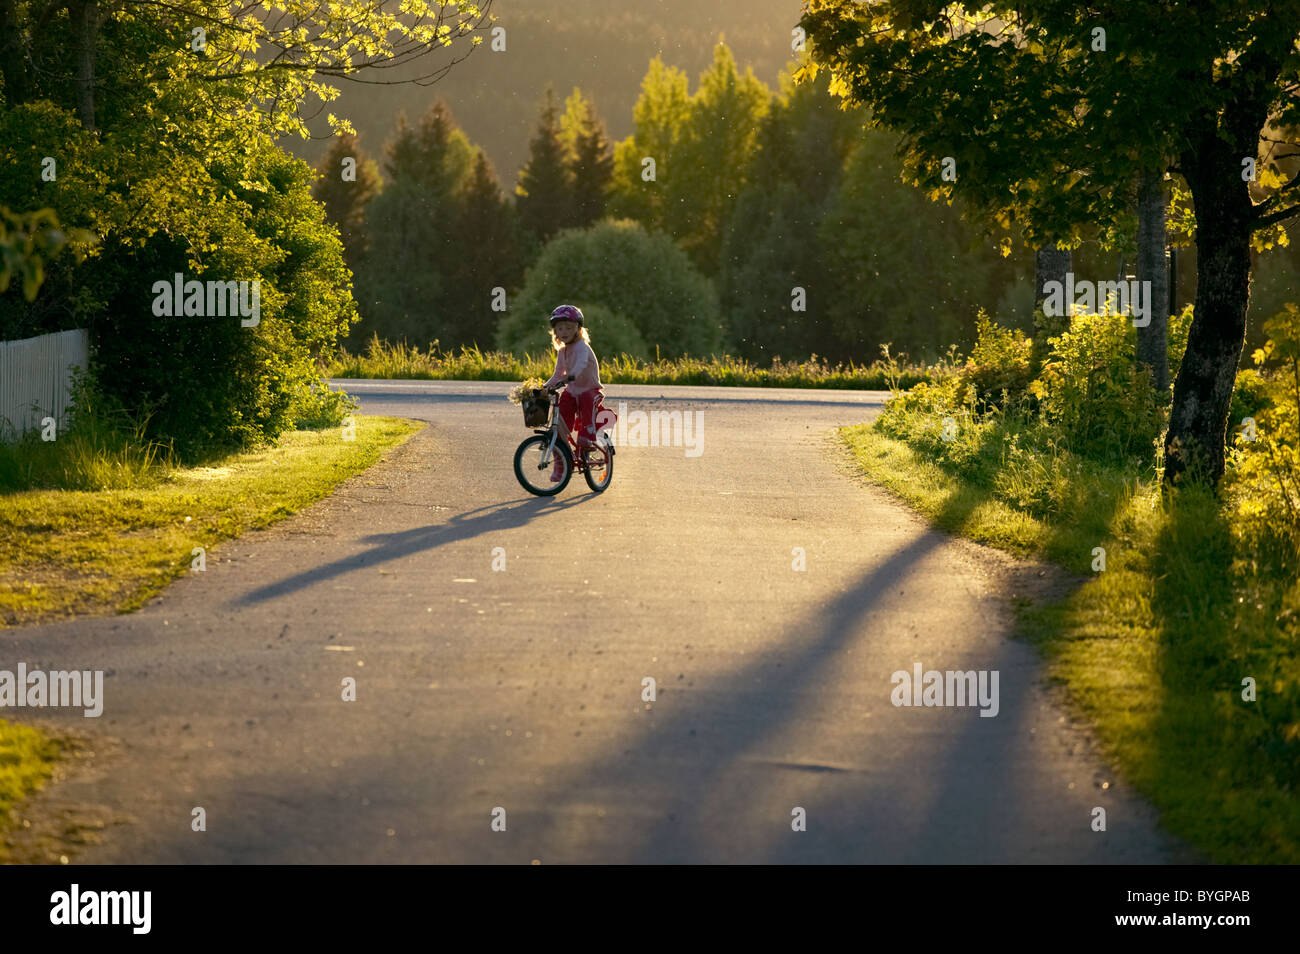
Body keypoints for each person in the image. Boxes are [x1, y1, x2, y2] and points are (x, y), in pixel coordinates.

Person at [542, 304, 602, 482]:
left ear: (578, 328)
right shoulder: (562, 351)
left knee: (586, 399)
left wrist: (571, 375)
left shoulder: (581, 347)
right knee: (559, 430)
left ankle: (589, 435)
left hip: (589, 390)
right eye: (560, 328)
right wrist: (544, 387)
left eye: (569, 327)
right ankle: (561, 464)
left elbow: (581, 364)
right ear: (555, 332)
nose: (564, 331)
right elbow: (557, 374)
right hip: (572, 390)